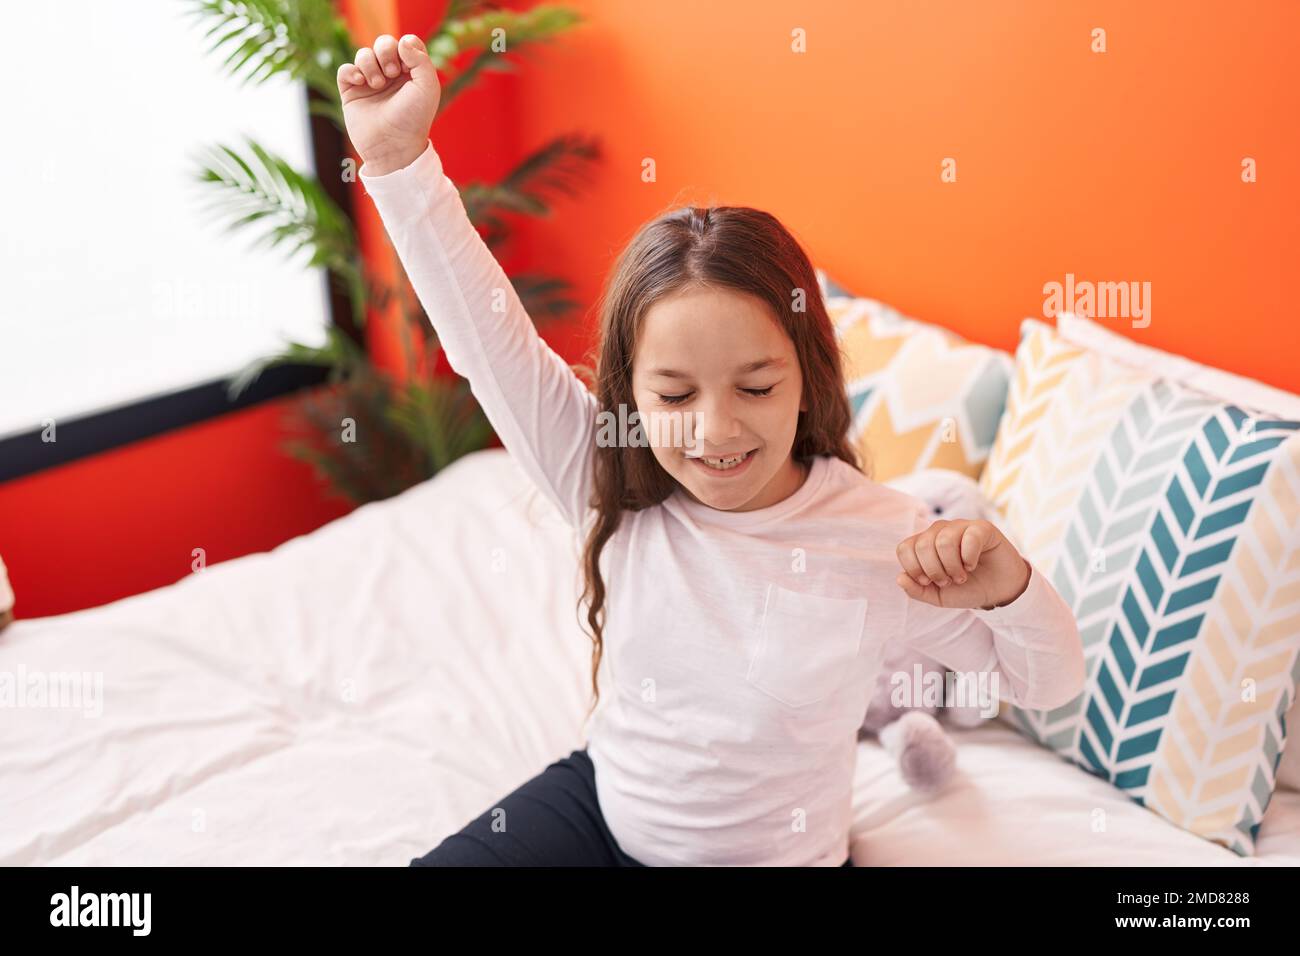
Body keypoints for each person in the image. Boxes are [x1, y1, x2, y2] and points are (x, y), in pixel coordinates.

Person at [339, 34, 1086, 867]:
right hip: (601, 813)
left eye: (756, 388)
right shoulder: (606, 472)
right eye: (675, 395)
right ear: (630, 394)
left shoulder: (881, 534)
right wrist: (401, 162)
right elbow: (486, 339)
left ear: (809, 377)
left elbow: (1046, 684)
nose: (716, 431)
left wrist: (1011, 590)